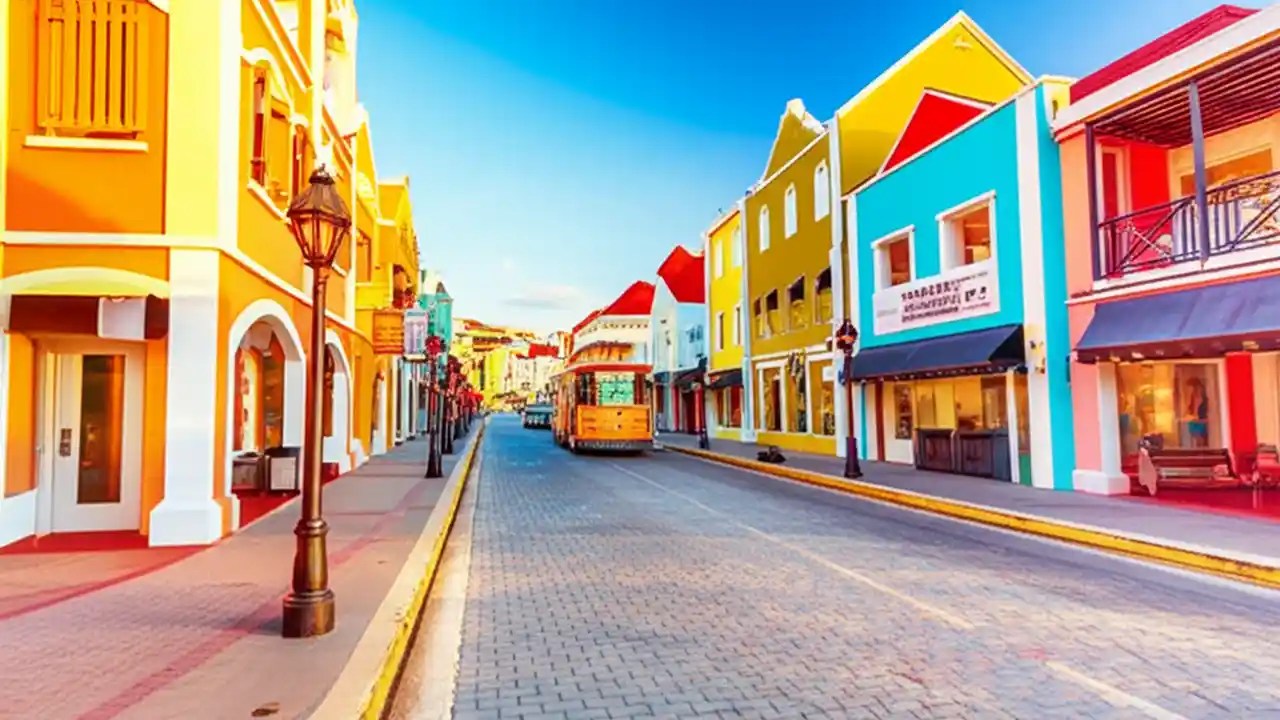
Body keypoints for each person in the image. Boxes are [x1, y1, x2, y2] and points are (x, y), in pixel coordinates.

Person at [1185, 377, 1209, 448]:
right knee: (1197, 436)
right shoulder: (1196, 393)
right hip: (1197, 417)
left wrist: (1195, 415)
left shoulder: (1198, 392)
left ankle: (1201, 449)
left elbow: (1198, 402)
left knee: (1198, 436)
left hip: (1199, 418)